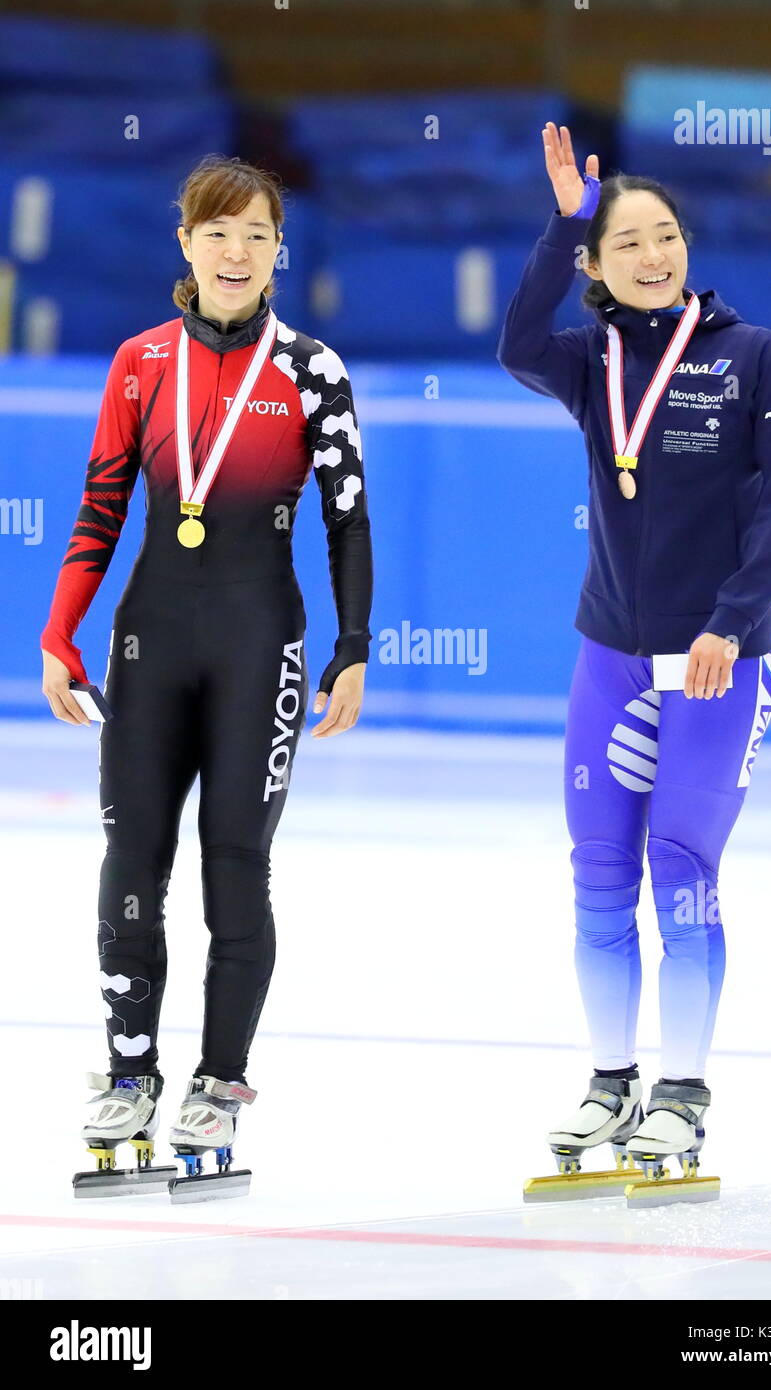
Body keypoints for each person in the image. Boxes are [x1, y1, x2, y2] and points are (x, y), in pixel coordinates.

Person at [40, 155, 373, 1196]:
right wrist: (60, 635)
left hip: (258, 642)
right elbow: (99, 508)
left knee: (235, 860)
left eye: (257, 234)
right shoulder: (139, 363)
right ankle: (130, 1070)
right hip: (153, 635)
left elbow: (347, 518)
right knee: (133, 852)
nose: (236, 252)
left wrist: (352, 646)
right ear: (184, 242)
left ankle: (218, 1081)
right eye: (217, 232)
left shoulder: (310, 369)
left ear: (280, 251)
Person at [498, 125, 771, 1198]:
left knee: (679, 872)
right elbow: (512, 345)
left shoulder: (748, 356)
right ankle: (610, 1080)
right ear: (596, 263)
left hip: (714, 663)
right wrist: (559, 226)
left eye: (664, 235)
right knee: (596, 877)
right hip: (609, 658)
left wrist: (731, 621)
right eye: (624, 241)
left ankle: (680, 1092)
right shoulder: (587, 360)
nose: (650, 254)